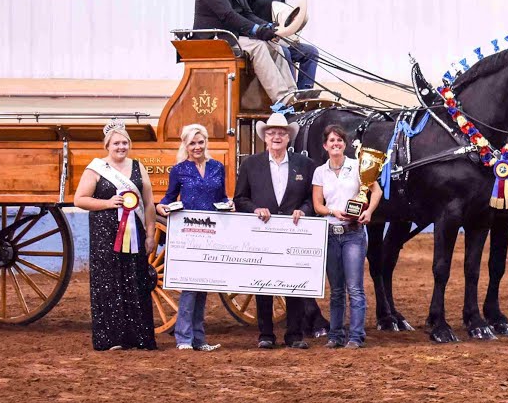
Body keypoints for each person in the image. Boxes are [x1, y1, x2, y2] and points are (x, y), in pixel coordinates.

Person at [72, 121, 159, 351]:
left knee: (136, 281)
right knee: (109, 285)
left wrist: (150, 234)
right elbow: (79, 199)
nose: (121, 147)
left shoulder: (139, 167)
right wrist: (108, 203)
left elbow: (148, 203)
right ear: (107, 145)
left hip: (136, 235)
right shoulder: (96, 169)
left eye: (124, 142)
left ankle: (139, 338)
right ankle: (111, 339)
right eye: (116, 143)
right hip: (105, 237)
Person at [234, 112, 317, 349]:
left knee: (295, 282)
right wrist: (255, 209)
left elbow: (313, 198)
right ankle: (266, 334)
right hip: (264, 233)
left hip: (294, 232)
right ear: (265, 137)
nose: (277, 137)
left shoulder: (305, 165)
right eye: (272, 133)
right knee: (263, 284)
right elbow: (240, 198)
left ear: (289, 138)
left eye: (281, 133)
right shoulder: (251, 164)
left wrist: (304, 210)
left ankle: (294, 334)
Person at [155, 124, 229, 351]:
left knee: (203, 286)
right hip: (189, 235)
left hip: (212, 233)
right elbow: (168, 198)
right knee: (189, 287)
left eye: (200, 142)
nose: (197, 147)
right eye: (192, 143)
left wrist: (229, 205)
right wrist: (161, 209)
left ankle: (199, 339)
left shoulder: (217, 167)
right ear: (185, 146)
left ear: (206, 142)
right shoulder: (179, 170)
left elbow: (222, 197)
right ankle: (184, 338)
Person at [192, 0, 296, 103]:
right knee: (259, 45)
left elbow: (247, 13)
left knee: (275, 46)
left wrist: (268, 27)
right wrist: (257, 30)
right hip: (216, 40)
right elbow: (228, 15)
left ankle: (293, 95)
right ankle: (282, 99)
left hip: (232, 38)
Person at [311, 125, 380, 349]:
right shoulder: (320, 172)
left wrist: (369, 212)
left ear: (344, 144)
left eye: (339, 140)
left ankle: (356, 335)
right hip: (331, 233)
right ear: (325, 146)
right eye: (331, 141)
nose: (335, 144)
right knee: (337, 289)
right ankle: (336, 335)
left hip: (353, 234)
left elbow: (375, 190)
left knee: (355, 288)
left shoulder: (357, 166)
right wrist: (333, 212)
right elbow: (318, 205)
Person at [241, 0, 319, 98]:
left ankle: (305, 95)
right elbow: (244, 16)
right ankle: (291, 97)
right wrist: (266, 29)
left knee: (311, 52)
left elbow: (284, 19)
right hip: (259, 41)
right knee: (285, 53)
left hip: (278, 39)